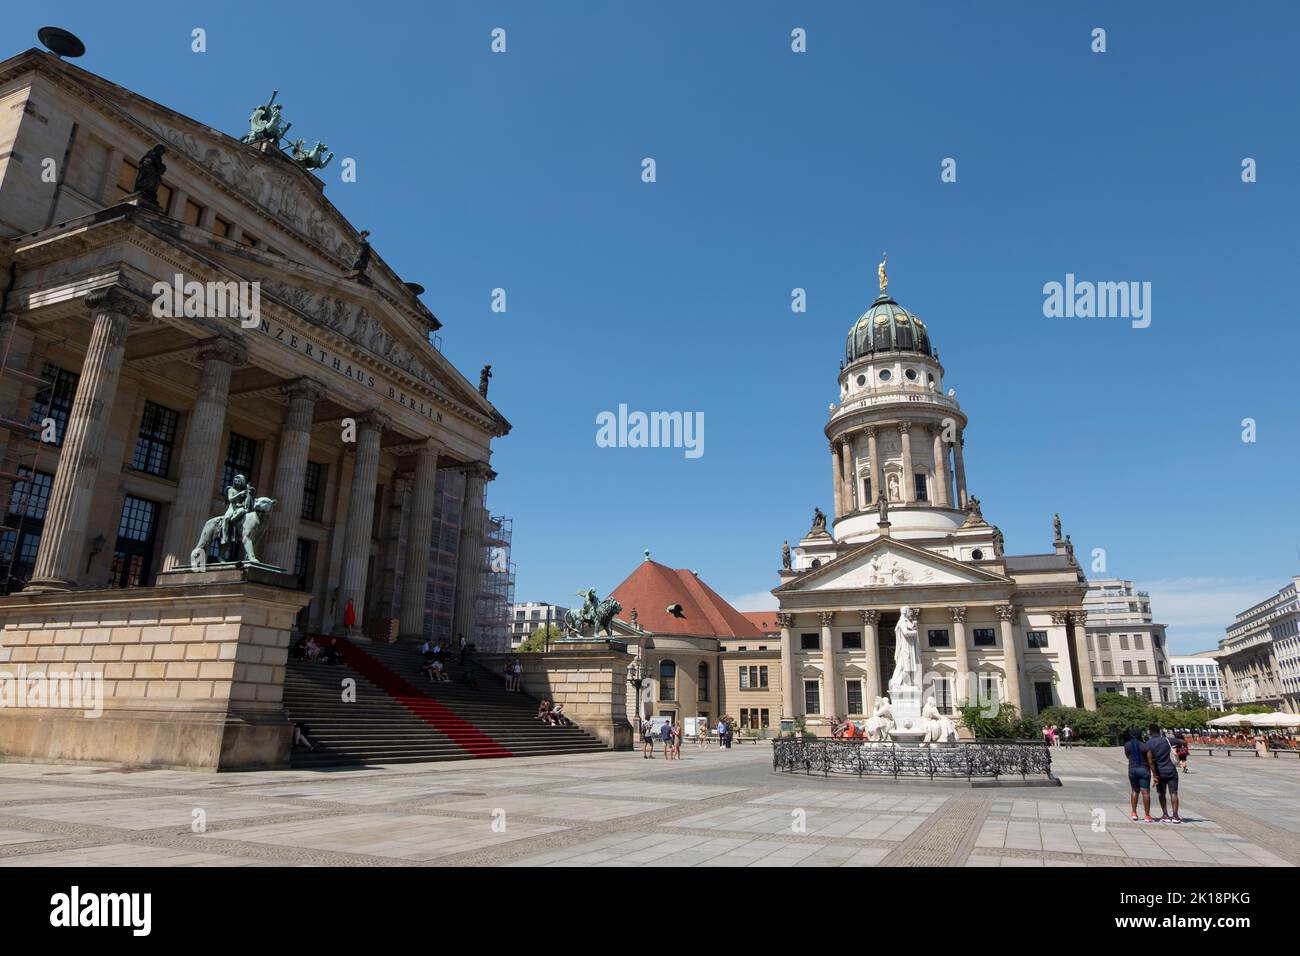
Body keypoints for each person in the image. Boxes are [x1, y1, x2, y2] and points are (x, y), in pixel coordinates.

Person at [1147, 724, 1182, 823]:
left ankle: (1165, 815)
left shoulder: (1148, 743)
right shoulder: (1167, 740)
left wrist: (1154, 775)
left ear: (1150, 732)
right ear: (1159, 731)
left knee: (1161, 793)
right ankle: (1175, 816)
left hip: (1159, 772)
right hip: (1171, 770)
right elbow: (1182, 741)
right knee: (1173, 793)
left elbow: (1150, 760)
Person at [1124, 728, 1156, 823]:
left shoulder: (1127, 745)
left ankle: (1134, 813)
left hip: (1132, 770)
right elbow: (1150, 762)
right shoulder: (1145, 746)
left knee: (1134, 790)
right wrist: (1155, 775)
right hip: (1144, 770)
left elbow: (1127, 756)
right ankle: (1147, 815)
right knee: (1145, 792)